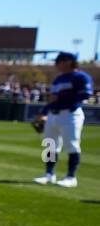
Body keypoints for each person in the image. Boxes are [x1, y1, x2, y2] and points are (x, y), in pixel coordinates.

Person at [34, 51, 92, 187]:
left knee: (71, 145)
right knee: (50, 144)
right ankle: (49, 174)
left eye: (59, 62)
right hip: (54, 114)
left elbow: (85, 94)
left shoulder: (80, 77)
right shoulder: (58, 78)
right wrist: (44, 112)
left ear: (67, 62)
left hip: (70, 114)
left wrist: (63, 98)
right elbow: (52, 98)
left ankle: (71, 177)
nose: (56, 64)